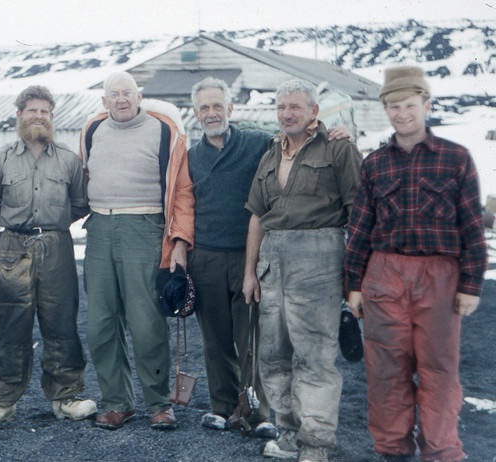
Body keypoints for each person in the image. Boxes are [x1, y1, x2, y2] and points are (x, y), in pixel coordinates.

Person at [344, 67, 487, 462]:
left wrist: (471, 283)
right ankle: (393, 450)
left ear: (426, 105)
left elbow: (472, 225)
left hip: (439, 278)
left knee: (439, 370)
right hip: (384, 275)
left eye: (409, 105)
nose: (401, 114)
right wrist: (353, 285)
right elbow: (360, 229)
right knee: (386, 370)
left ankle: (442, 451)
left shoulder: (456, 158)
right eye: (393, 106)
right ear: (385, 110)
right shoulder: (374, 164)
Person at [243, 79, 362, 462]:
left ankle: (315, 445)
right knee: (273, 356)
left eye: (295, 107)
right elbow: (258, 217)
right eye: (281, 108)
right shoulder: (269, 155)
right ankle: (289, 434)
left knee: (314, 357)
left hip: (318, 257)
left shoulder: (339, 148)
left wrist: (354, 277)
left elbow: (358, 213)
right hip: (271, 261)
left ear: (314, 111)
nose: (287, 114)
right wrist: (249, 272)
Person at [0, 85, 97, 427]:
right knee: (9, 328)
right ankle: (1, 402)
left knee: (61, 324)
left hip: (57, 248)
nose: (39, 116)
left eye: (45, 111)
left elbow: (80, 204)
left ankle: (66, 396)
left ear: (52, 117)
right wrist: (19, 229)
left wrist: (49, 228)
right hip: (12, 250)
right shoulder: (0, 159)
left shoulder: (69, 161)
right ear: (20, 115)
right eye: (32, 110)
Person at [80, 71, 194, 430]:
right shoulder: (92, 129)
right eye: (114, 95)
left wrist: (179, 242)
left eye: (127, 93)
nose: (121, 100)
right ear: (104, 101)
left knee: (146, 322)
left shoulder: (165, 130)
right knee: (100, 322)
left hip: (144, 229)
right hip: (99, 228)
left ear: (139, 96)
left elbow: (183, 192)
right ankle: (117, 403)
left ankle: (159, 404)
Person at [186, 77, 277, 439]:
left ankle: (258, 411)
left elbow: (293, 143)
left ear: (230, 109)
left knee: (251, 337)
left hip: (247, 256)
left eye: (217, 106)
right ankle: (221, 407)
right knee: (216, 339)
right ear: (196, 114)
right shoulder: (191, 157)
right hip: (206, 257)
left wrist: (334, 136)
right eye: (204, 108)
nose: (212, 113)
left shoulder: (255, 143)